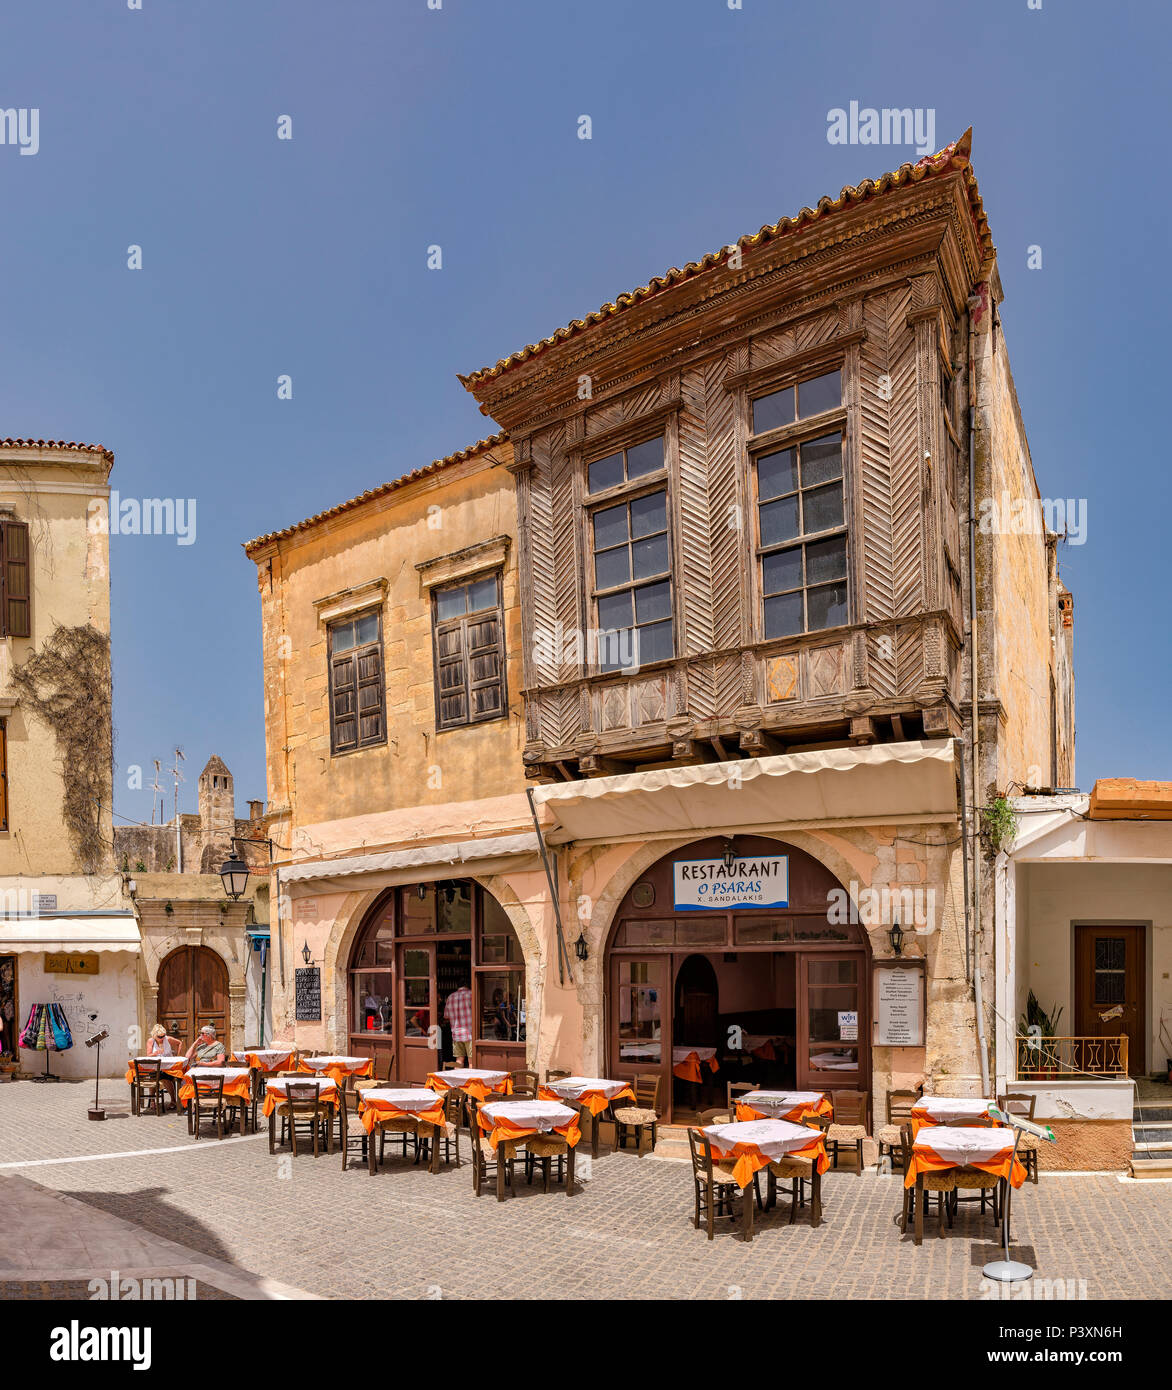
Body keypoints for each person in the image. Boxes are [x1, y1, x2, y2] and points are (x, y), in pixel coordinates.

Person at [443, 982, 473, 1061]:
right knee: (471, 1061)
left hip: (456, 1034)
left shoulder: (450, 997)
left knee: (459, 1060)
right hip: (470, 1033)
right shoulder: (471, 994)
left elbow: (446, 1016)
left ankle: (457, 1073)